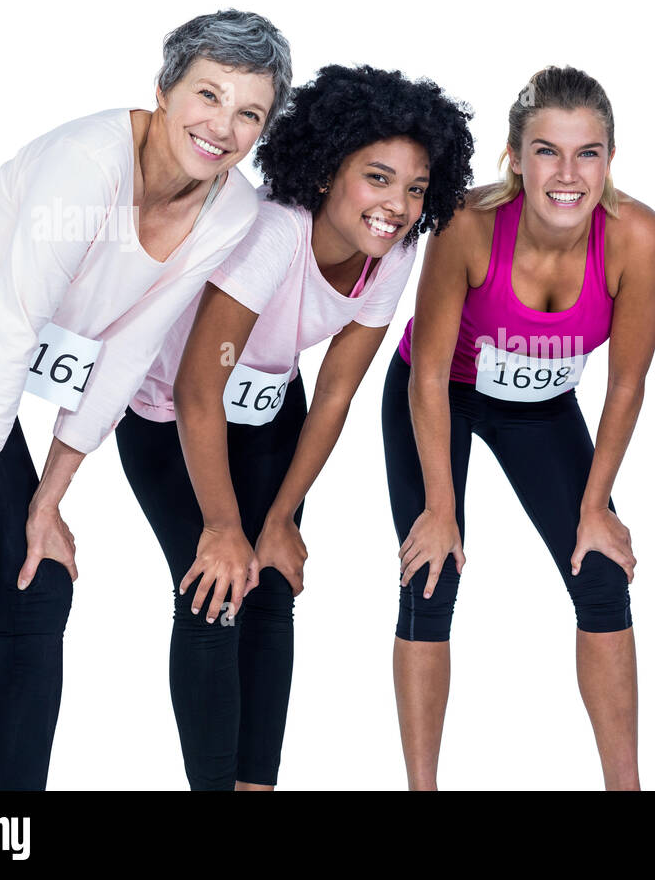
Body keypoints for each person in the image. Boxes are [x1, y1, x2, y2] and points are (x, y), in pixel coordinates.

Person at [0, 9, 291, 790]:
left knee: (39, 596)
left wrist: (47, 502)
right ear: (165, 89)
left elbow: (129, 351)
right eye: (208, 95)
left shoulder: (228, 209)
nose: (223, 127)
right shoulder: (87, 161)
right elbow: (13, 327)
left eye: (249, 114)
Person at [116, 65, 474, 790]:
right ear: (323, 172)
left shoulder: (395, 250)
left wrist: (278, 517)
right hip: (169, 416)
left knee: (270, 582)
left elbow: (336, 392)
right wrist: (223, 524)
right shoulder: (275, 232)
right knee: (214, 591)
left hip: (271, 409)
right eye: (377, 179)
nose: (397, 206)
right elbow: (197, 388)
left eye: (413, 188)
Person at [384, 66, 655, 790]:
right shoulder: (469, 224)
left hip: (542, 408)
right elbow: (426, 374)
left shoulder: (636, 236)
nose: (568, 174)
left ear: (610, 157)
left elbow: (627, 382)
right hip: (441, 392)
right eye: (547, 151)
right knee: (430, 575)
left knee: (600, 573)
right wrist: (442, 512)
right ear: (515, 157)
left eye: (588, 153)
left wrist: (597, 506)